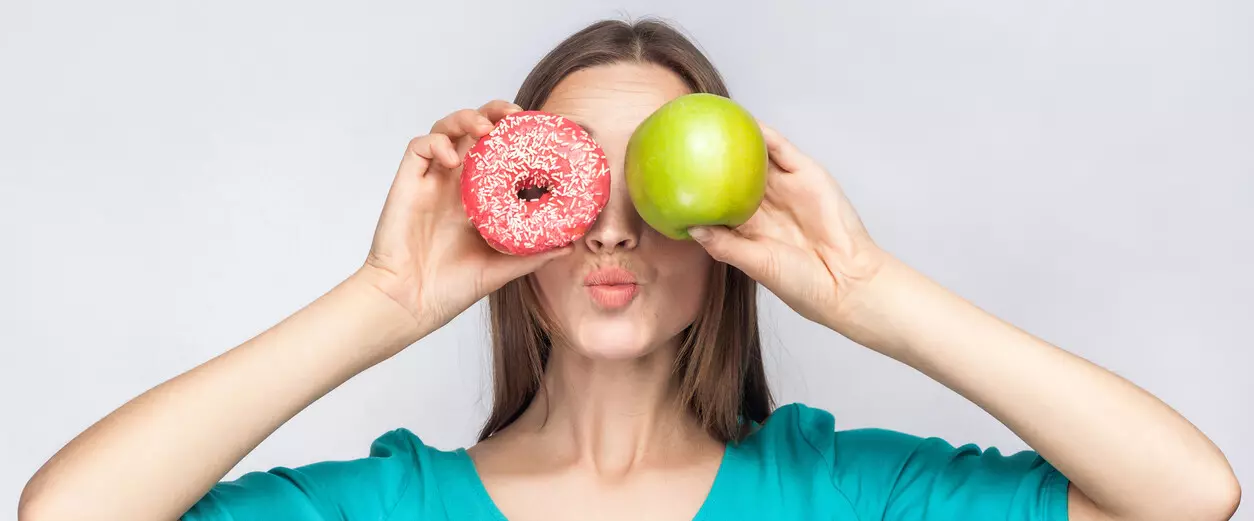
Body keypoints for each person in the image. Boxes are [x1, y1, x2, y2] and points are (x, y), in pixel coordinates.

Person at [18, 18, 1240, 521]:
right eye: (567, 184)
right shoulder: (394, 504)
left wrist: (872, 292)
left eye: (648, 184)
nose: (609, 228)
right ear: (512, 233)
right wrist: (376, 305)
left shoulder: (833, 490)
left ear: (722, 232)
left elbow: (1189, 495)